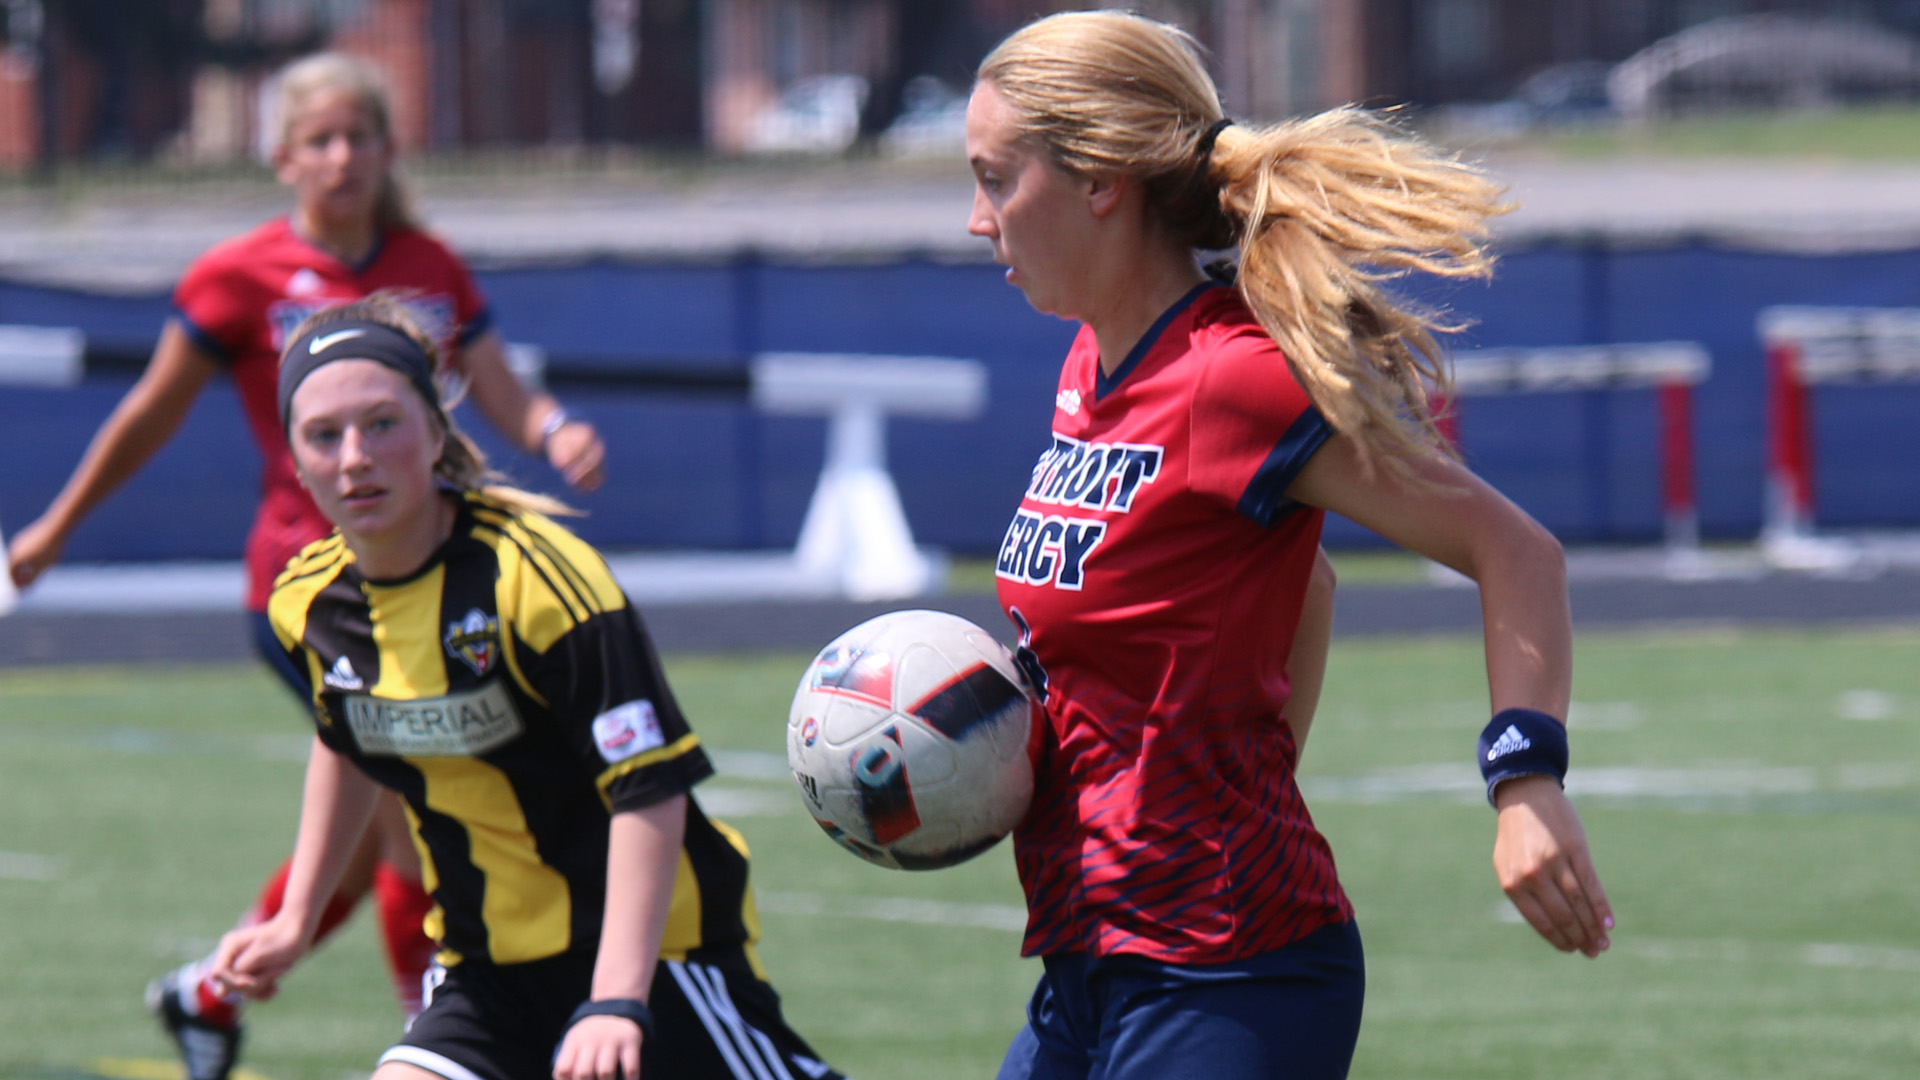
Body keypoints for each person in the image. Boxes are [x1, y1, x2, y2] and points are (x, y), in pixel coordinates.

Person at [970, 11, 1611, 1080]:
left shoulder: (1232, 377)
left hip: (1230, 970)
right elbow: (1298, 578)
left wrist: (1526, 783)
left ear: (1099, 184)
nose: (977, 220)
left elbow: (1516, 553)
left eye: (996, 179)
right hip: (1091, 963)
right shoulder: (1088, 366)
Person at [3, 52, 605, 1080]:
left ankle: (213, 992)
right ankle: (449, 1035)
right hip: (309, 593)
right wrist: (53, 530)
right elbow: (149, 412)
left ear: (387, 149)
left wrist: (549, 427)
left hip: (434, 583)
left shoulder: (426, 262)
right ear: (282, 157)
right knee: (417, 811)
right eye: (319, 141)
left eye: (359, 137)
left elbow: (497, 384)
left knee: (397, 810)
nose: (342, 158)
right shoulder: (237, 276)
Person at [210, 295, 840, 1080]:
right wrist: (295, 920)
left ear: (437, 432)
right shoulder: (307, 601)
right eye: (323, 436)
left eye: (382, 424)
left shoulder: (537, 578)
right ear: (293, 461)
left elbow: (648, 789)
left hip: (658, 960)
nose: (354, 457)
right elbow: (344, 737)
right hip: (487, 972)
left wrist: (615, 1000)